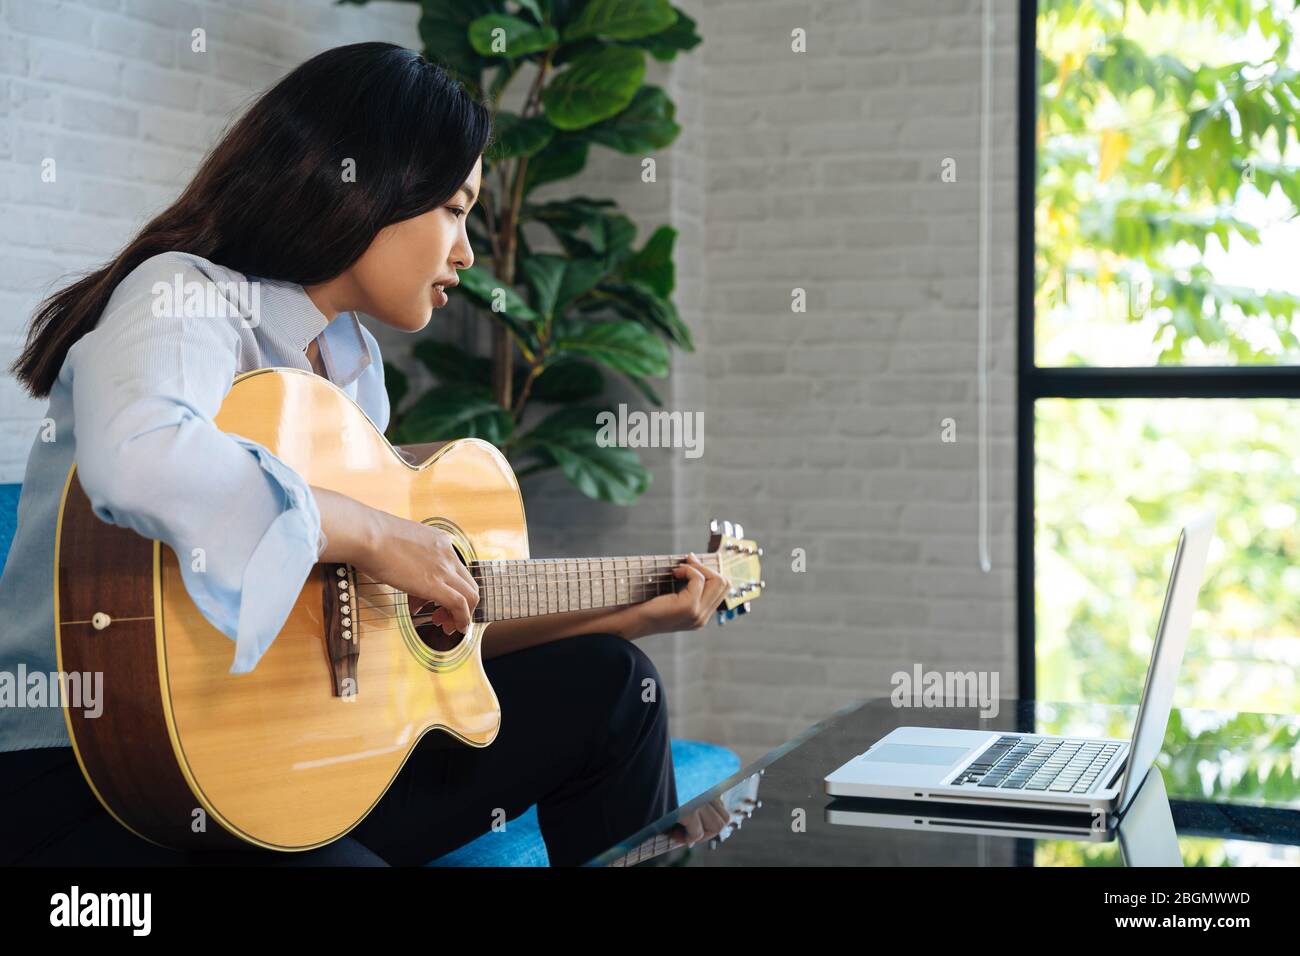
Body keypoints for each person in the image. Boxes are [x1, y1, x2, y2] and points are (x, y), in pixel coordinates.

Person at [0, 42, 732, 867]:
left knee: (612, 685)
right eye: (454, 210)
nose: (467, 252)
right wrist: (375, 533)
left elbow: (399, 647)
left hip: (290, 763)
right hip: (97, 779)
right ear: (367, 187)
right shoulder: (186, 295)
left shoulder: (350, 366)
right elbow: (140, 456)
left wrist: (628, 608)